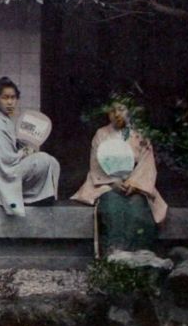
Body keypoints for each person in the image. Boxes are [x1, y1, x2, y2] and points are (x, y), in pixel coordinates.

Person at [71, 101, 167, 253]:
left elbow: (146, 163)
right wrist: (113, 182)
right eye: (112, 110)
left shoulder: (139, 134)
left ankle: (140, 252)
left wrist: (135, 183)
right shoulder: (101, 134)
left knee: (138, 207)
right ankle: (115, 252)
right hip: (107, 183)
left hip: (136, 183)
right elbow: (96, 163)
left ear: (130, 111)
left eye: (121, 109)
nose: (116, 114)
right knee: (112, 205)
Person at [0, 78, 60, 214]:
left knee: (52, 161)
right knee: (44, 159)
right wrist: (25, 152)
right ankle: (30, 197)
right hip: (7, 170)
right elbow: (6, 158)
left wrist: (24, 146)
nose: (10, 102)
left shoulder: (5, 119)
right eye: (5, 98)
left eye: (13, 97)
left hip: (13, 165)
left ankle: (37, 196)